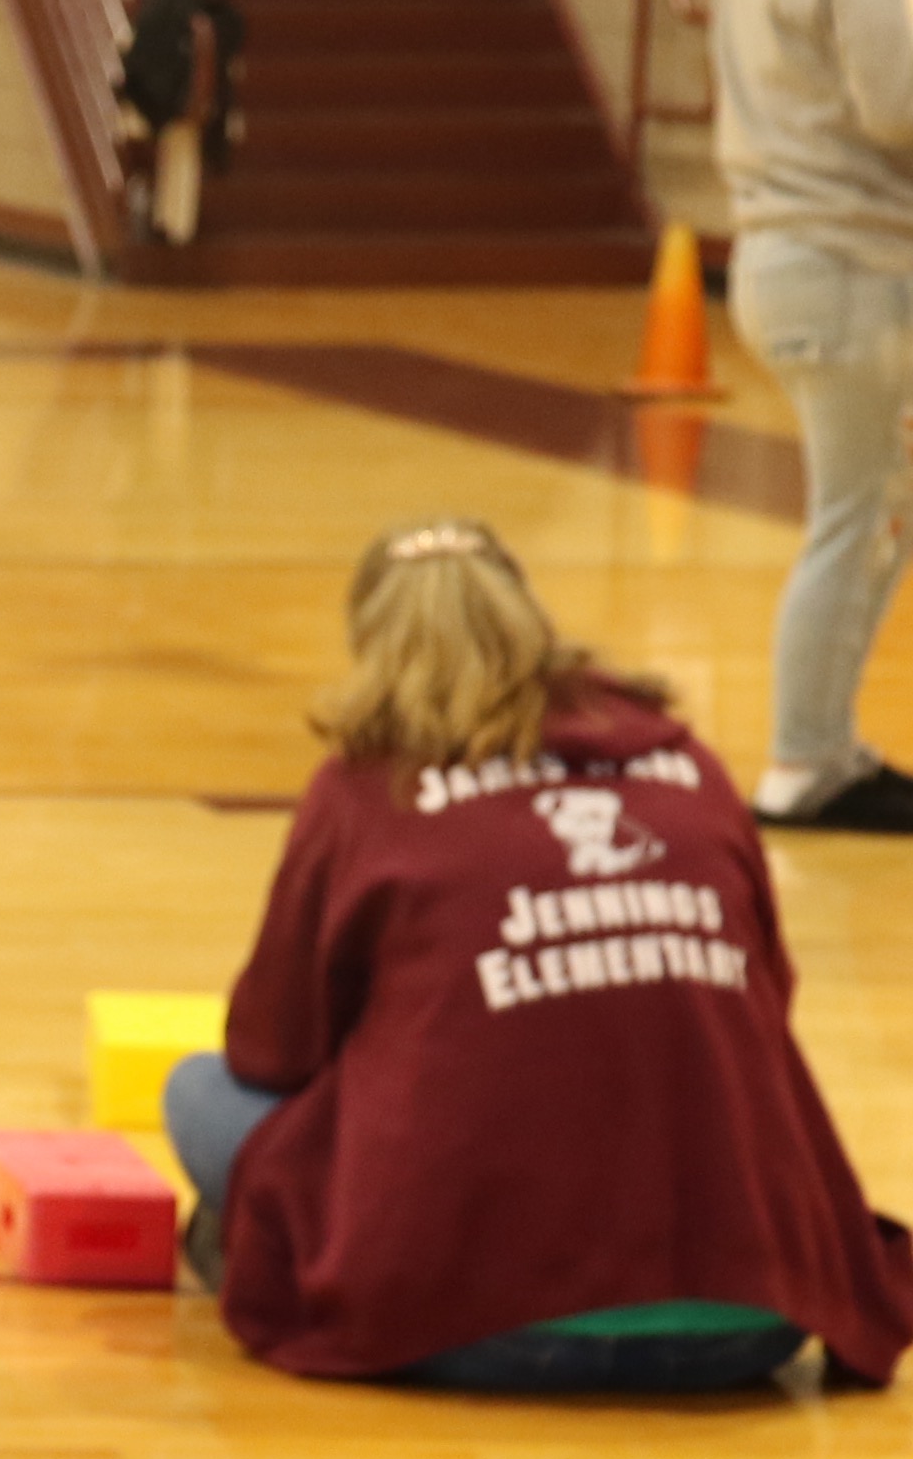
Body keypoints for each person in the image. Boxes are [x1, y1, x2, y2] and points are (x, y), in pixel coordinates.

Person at [168, 519, 913, 1390]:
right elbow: (764, 1003)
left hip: (481, 1324)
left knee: (200, 1092)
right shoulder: (692, 771)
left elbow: (272, 1049)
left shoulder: (369, 786)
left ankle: (284, 1251)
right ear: (534, 623)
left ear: (370, 645)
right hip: (758, 1318)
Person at [696, 0, 913, 831]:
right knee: (856, 516)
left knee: (874, 509)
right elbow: (900, 109)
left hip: (786, 257)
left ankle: (824, 743)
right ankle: (803, 762)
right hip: (849, 266)